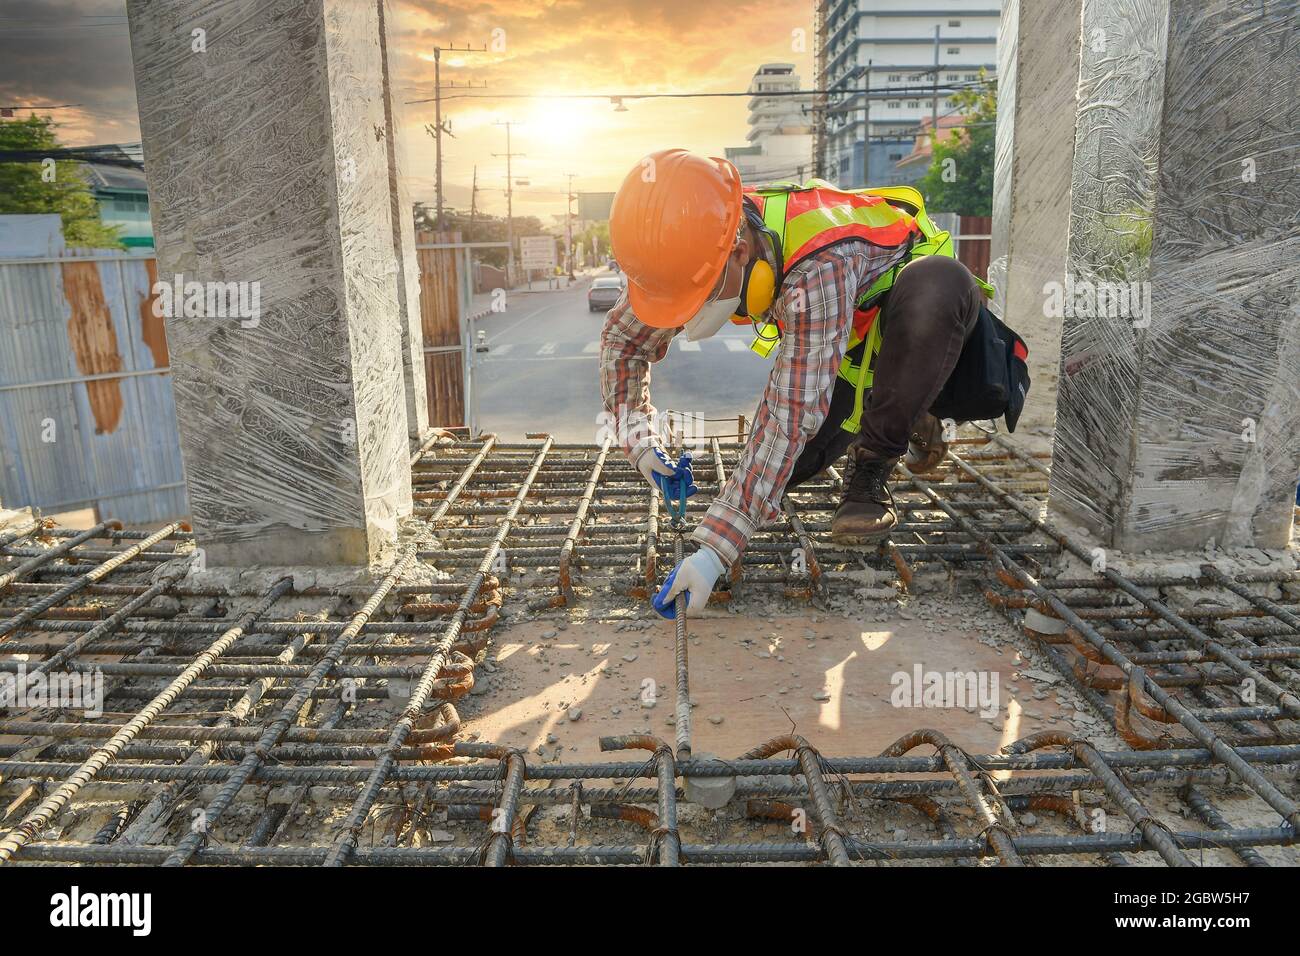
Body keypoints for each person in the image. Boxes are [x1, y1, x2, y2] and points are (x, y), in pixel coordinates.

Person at [599, 148, 996, 613]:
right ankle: (878, 415)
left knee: (936, 285)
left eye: (691, 301)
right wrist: (644, 445)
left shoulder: (820, 265)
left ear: (741, 253)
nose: (683, 317)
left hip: (925, 328)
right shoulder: (689, 241)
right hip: (841, 346)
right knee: (785, 471)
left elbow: (789, 414)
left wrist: (713, 551)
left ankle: (886, 449)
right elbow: (622, 344)